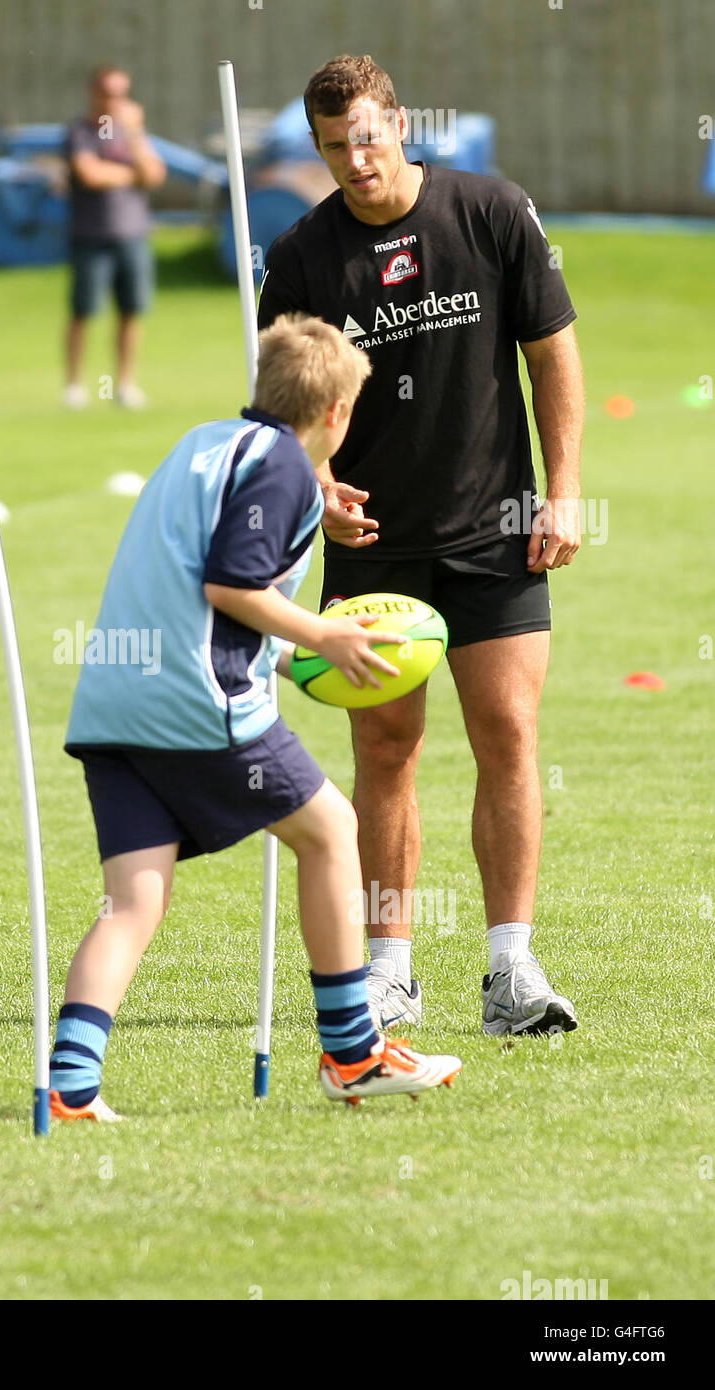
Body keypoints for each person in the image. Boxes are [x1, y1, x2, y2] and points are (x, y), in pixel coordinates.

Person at [47, 314, 462, 1121]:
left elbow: (189, 576)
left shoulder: (205, 444)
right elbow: (230, 587)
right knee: (332, 831)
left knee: (134, 900)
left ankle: (70, 1087)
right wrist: (324, 636)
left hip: (113, 706)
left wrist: (288, 627)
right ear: (336, 414)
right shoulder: (277, 467)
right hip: (197, 706)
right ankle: (353, 1053)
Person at [257, 54, 585, 1037]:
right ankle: (389, 969)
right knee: (386, 751)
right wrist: (318, 493)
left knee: (510, 736)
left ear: (399, 124)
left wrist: (562, 491)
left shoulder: (491, 211)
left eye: (366, 137)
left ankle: (511, 972)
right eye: (332, 148)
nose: (354, 162)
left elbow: (551, 354)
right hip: (377, 546)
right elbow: (282, 413)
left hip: (496, 531)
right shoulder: (304, 255)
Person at [63, 65, 166, 410]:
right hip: (91, 236)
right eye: (108, 93)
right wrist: (129, 174)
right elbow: (89, 174)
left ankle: (124, 384)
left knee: (131, 311)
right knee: (83, 311)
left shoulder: (132, 133)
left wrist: (134, 136)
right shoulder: (80, 131)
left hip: (132, 235)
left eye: (120, 94)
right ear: (94, 93)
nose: (114, 101)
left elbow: (153, 175)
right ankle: (74, 385)